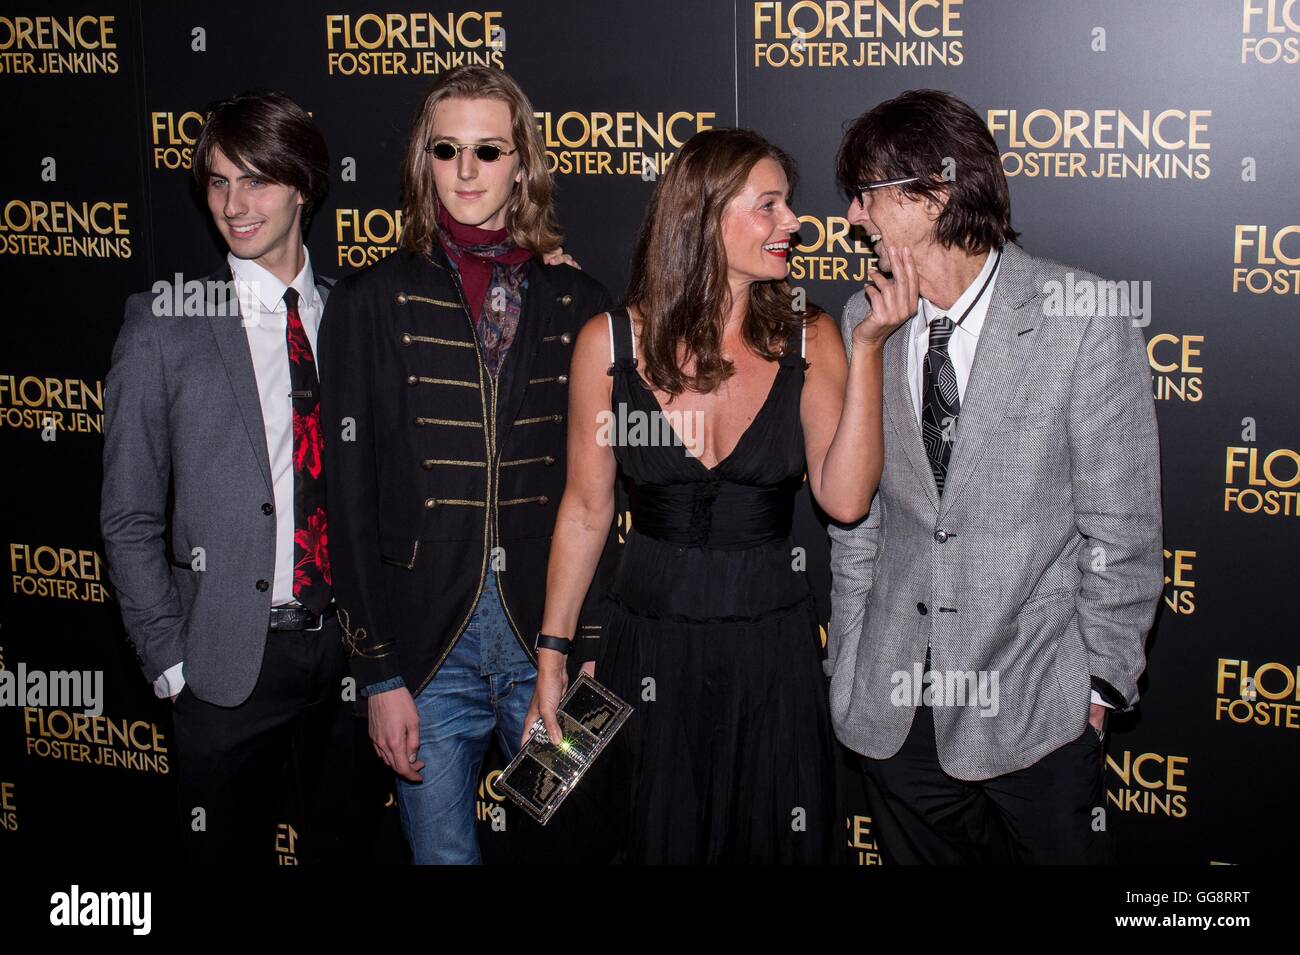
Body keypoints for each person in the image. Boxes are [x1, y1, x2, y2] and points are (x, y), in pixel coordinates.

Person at [522, 127, 911, 864]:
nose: (792, 223)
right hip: (643, 643)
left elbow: (847, 499)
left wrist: (867, 352)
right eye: (768, 206)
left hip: (770, 648)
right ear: (703, 215)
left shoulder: (811, 335)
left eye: (788, 205)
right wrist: (552, 654)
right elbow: (585, 508)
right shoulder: (608, 345)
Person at [826, 89, 1163, 864]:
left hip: (1036, 713)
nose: (851, 217)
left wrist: (1099, 693)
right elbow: (860, 521)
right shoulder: (862, 319)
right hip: (895, 709)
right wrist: (850, 658)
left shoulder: (1081, 315)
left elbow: (1122, 528)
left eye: (867, 194)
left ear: (936, 194)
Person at [319, 65, 612, 865]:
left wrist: (588, 640)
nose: (468, 171)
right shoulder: (367, 300)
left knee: (565, 851)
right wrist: (377, 672)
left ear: (524, 163)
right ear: (424, 161)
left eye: (490, 150)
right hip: (424, 652)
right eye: (448, 150)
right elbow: (348, 497)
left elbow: (598, 493)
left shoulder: (580, 301)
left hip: (545, 641)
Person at [101, 90, 361, 862]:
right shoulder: (164, 322)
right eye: (218, 181)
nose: (235, 203)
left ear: (304, 186)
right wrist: (171, 662)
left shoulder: (352, 318)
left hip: (349, 661)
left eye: (257, 179)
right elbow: (128, 516)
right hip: (221, 667)